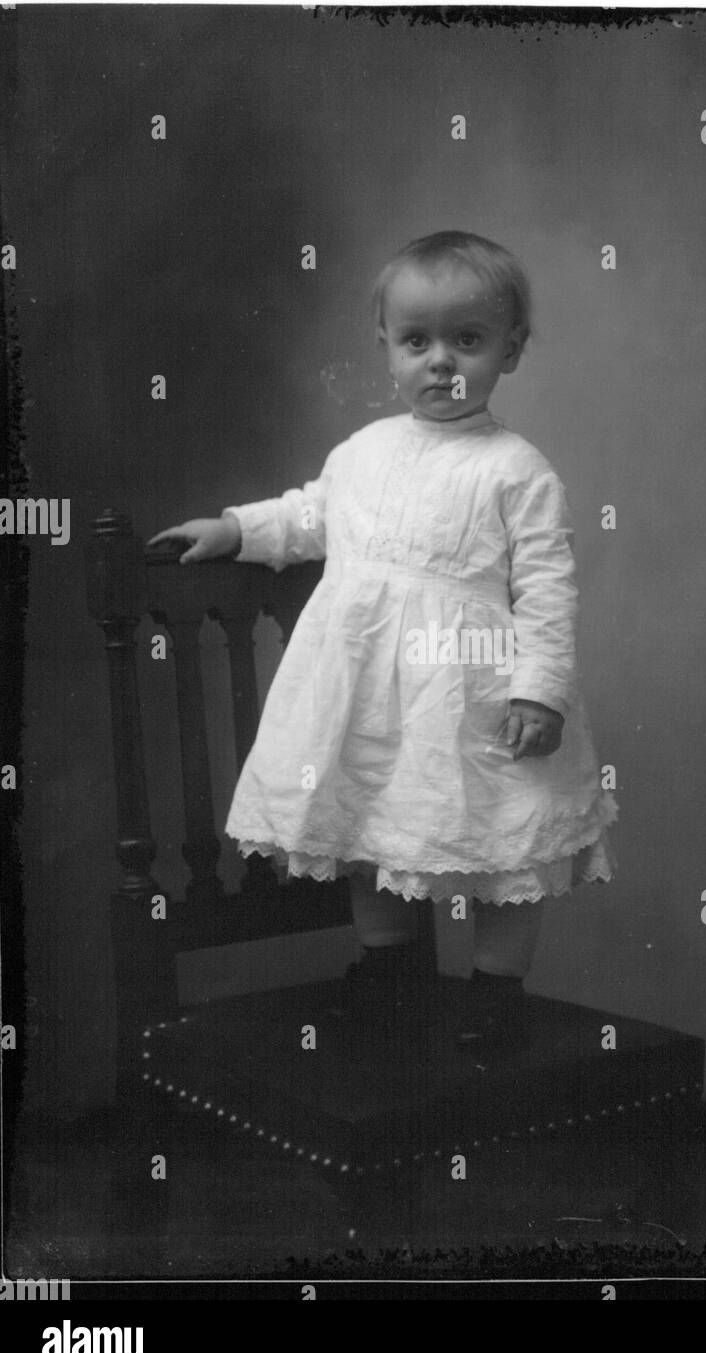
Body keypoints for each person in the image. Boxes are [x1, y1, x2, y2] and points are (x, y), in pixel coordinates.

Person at [148, 230, 618, 1057]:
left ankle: (497, 989)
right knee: (372, 829)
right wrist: (233, 529)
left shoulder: (516, 469)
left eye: (467, 341)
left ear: (512, 349)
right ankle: (391, 967)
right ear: (387, 350)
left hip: (471, 698)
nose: (441, 362)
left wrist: (538, 690)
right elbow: (307, 516)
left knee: (505, 836)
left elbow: (548, 590)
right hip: (368, 695)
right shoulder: (362, 453)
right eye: (417, 341)